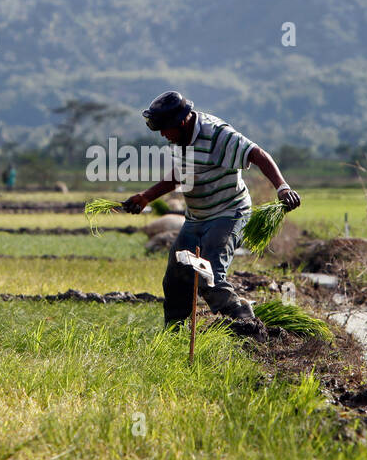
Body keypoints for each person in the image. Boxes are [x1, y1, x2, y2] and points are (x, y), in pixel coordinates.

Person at [121, 91, 301, 335]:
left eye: (166, 128)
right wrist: (146, 197)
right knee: (176, 275)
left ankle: (248, 325)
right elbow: (180, 175)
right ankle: (174, 334)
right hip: (196, 217)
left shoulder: (218, 134)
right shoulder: (178, 141)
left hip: (228, 213)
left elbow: (257, 154)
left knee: (209, 273)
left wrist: (282, 188)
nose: (163, 135)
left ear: (181, 122)